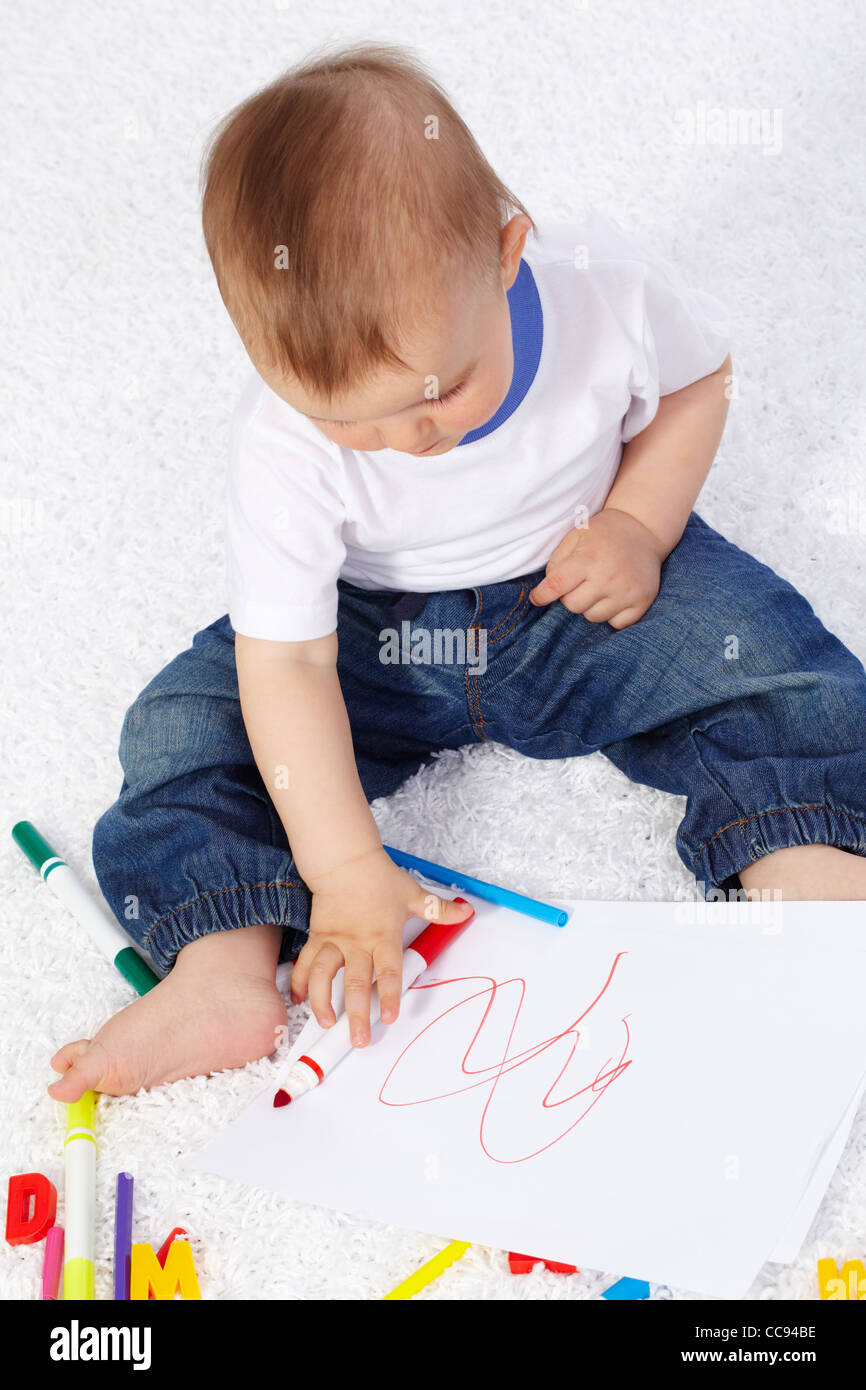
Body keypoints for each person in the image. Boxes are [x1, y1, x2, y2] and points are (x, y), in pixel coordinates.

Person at [47, 42, 866, 1103]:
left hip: (578, 585)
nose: (406, 439)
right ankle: (221, 964)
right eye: (348, 418)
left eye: (436, 392)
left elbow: (698, 381)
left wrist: (637, 521)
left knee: (771, 661)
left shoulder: (603, 289)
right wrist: (346, 870)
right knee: (185, 728)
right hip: (370, 634)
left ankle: (806, 867)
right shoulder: (280, 445)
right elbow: (286, 664)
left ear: (506, 254)